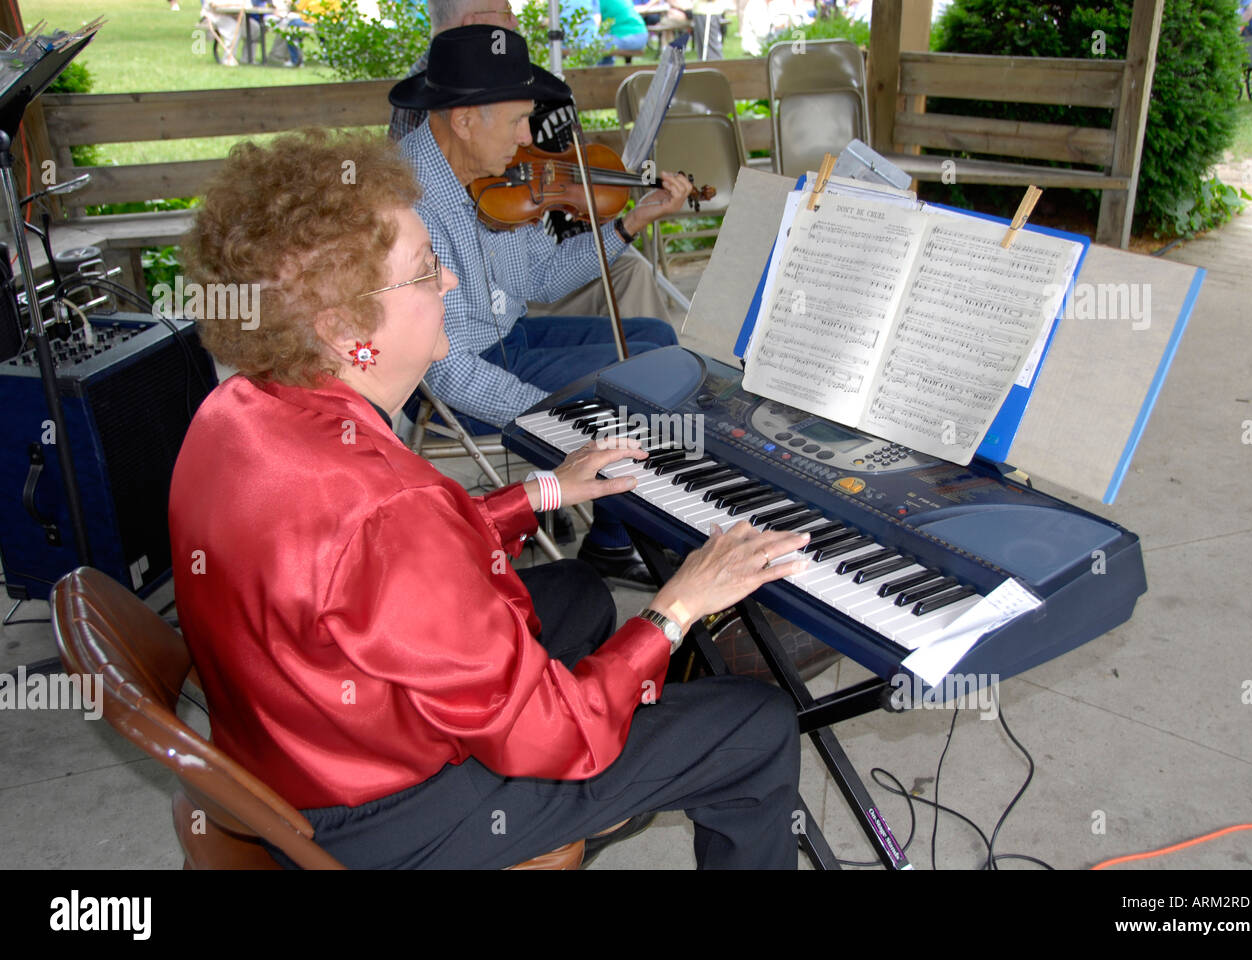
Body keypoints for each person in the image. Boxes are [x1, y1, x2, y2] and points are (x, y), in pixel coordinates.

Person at [170, 127, 811, 869]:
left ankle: (614, 767)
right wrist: (677, 609)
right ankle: (595, 783)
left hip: (296, 745)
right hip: (393, 819)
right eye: (425, 270)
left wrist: (545, 490)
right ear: (346, 329)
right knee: (755, 723)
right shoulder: (389, 509)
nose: (449, 285)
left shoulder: (236, 410)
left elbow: (365, 571)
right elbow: (544, 721)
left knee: (576, 590)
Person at [390, 25, 694, 586]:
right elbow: (451, 374)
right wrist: (565, 423)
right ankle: (618, 536)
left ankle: (615, 531)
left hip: (513, 337)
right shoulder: (408, 201)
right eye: (516, 121)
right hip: (464, 375)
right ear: (463, 119)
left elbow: (545, 277)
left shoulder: (501, 173)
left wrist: (630, 221)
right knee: (636, 384)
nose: (528, 135)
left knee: (655, 339)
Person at [388, 0, 671, 330]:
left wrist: (628, 222)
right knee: (632, 290)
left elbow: (539, 271)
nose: (516, 20)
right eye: (506, 12)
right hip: (492, 300)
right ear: (475, 21)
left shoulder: (508, 78)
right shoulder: (437, 128)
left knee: (644, 309)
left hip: (526, 260)